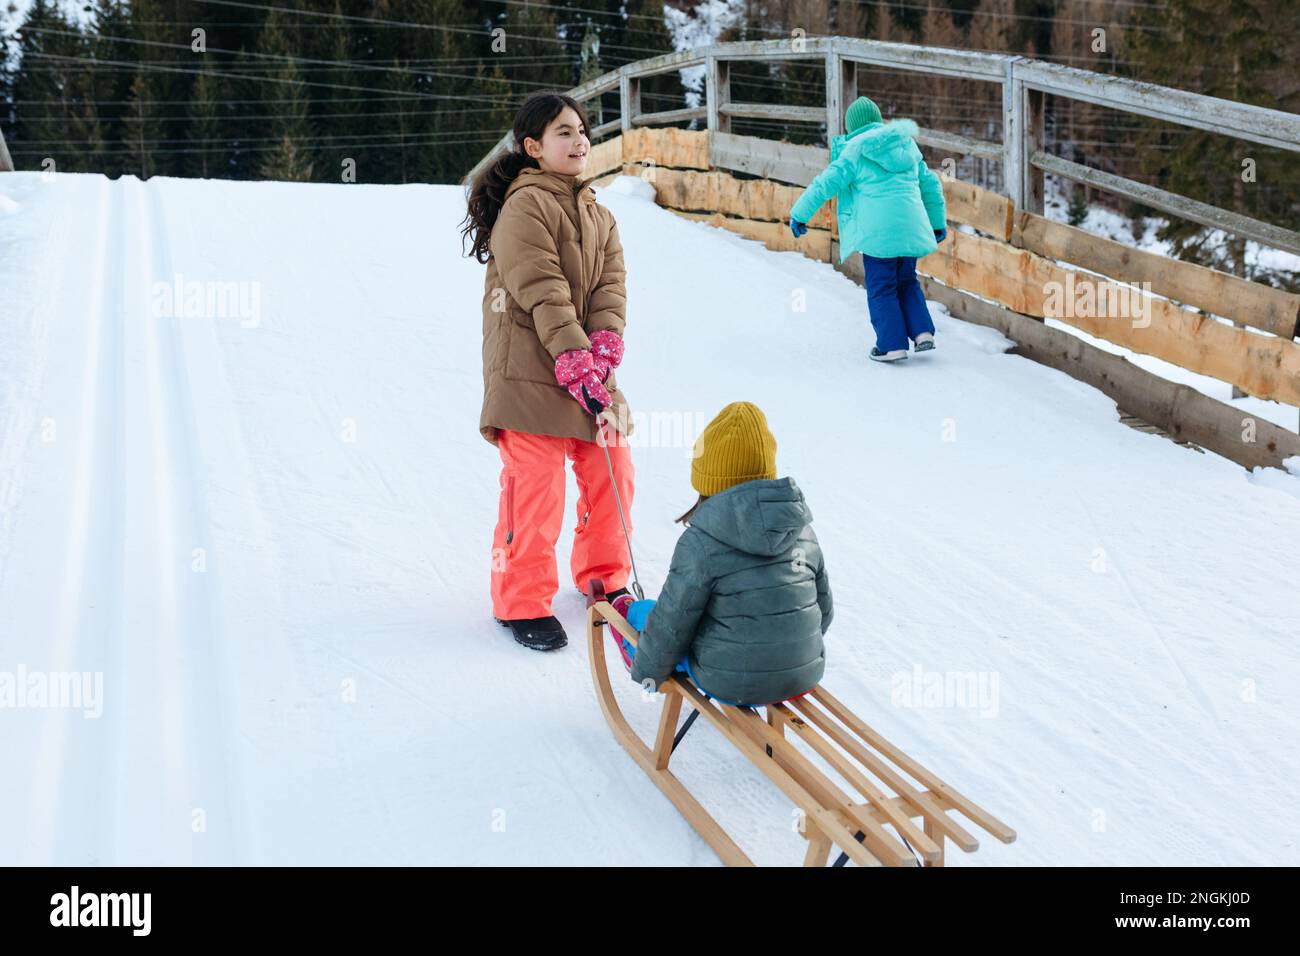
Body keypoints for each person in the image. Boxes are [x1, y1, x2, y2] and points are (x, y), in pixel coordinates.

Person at [461, 91, 635, 652]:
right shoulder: (524, 206)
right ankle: (521, 601)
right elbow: (542, 290)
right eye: (564, 132)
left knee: (614, 467)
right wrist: (573, 356)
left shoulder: (599, 215)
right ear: (533, 147)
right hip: (530, 367)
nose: (579, 140)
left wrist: (603, 350)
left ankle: (605, 580)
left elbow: (610, 287)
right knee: (535, 488)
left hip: (584, 365)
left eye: (582, 130)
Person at [620, 402, 831, 707]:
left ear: (708, 480)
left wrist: (648, 676)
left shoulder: (700, 544)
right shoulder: (802, 531)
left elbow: (672, 625)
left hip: (730, 682)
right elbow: (824, 610)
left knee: (644, 612)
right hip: (803, 674)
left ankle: (632, 642)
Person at [789, 96, 948, 362]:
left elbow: (825, 184)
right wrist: (937, 222)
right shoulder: (906, 145)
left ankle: (891, 345)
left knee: (882, 287)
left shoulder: (854, 150)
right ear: (878, 121)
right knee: (907, 282)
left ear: (851, 128)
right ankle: (923, 333)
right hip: (910, 230)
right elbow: (930, 184)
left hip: (877, 235)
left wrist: (799, 214)